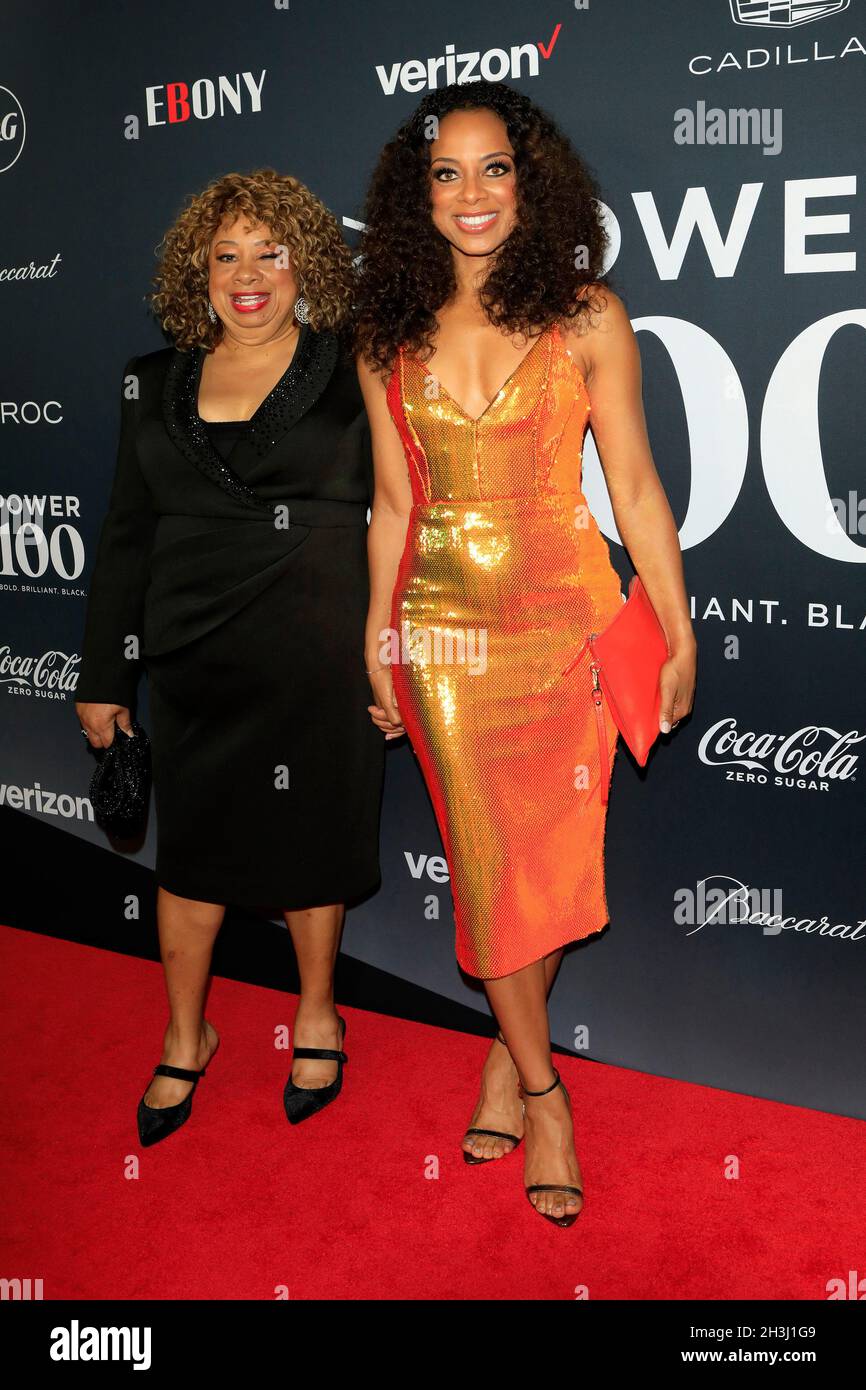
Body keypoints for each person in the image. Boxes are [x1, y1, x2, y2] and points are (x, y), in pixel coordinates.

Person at [355, 83, 696, 1227]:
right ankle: (546, 1090)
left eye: (491, 168)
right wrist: (377, 636)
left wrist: (675, 619)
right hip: (445, 638)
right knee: (493, 866)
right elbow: (394, 509)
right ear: (418, 192)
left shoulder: (587, 315)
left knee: (543, 872)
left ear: (528, 177)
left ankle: (507, 1056)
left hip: (566, 622)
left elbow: (636, 487)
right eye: (444, 172)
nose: (469, 193)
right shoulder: (383, 332)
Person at [75, 170, 384, 1146]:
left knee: (309, 846)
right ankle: (185, 1032)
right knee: (193, 853)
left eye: (271, 252)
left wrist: (395, 650)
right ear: (197, 272)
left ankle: (319, 1012)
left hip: (318, 656)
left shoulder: (356, 368)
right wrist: (102, 675)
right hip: (194, 661)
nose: (248, 275)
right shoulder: (149, 380)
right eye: (226, 255)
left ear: (305, 265)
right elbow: (125, 530)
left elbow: (412, 517)